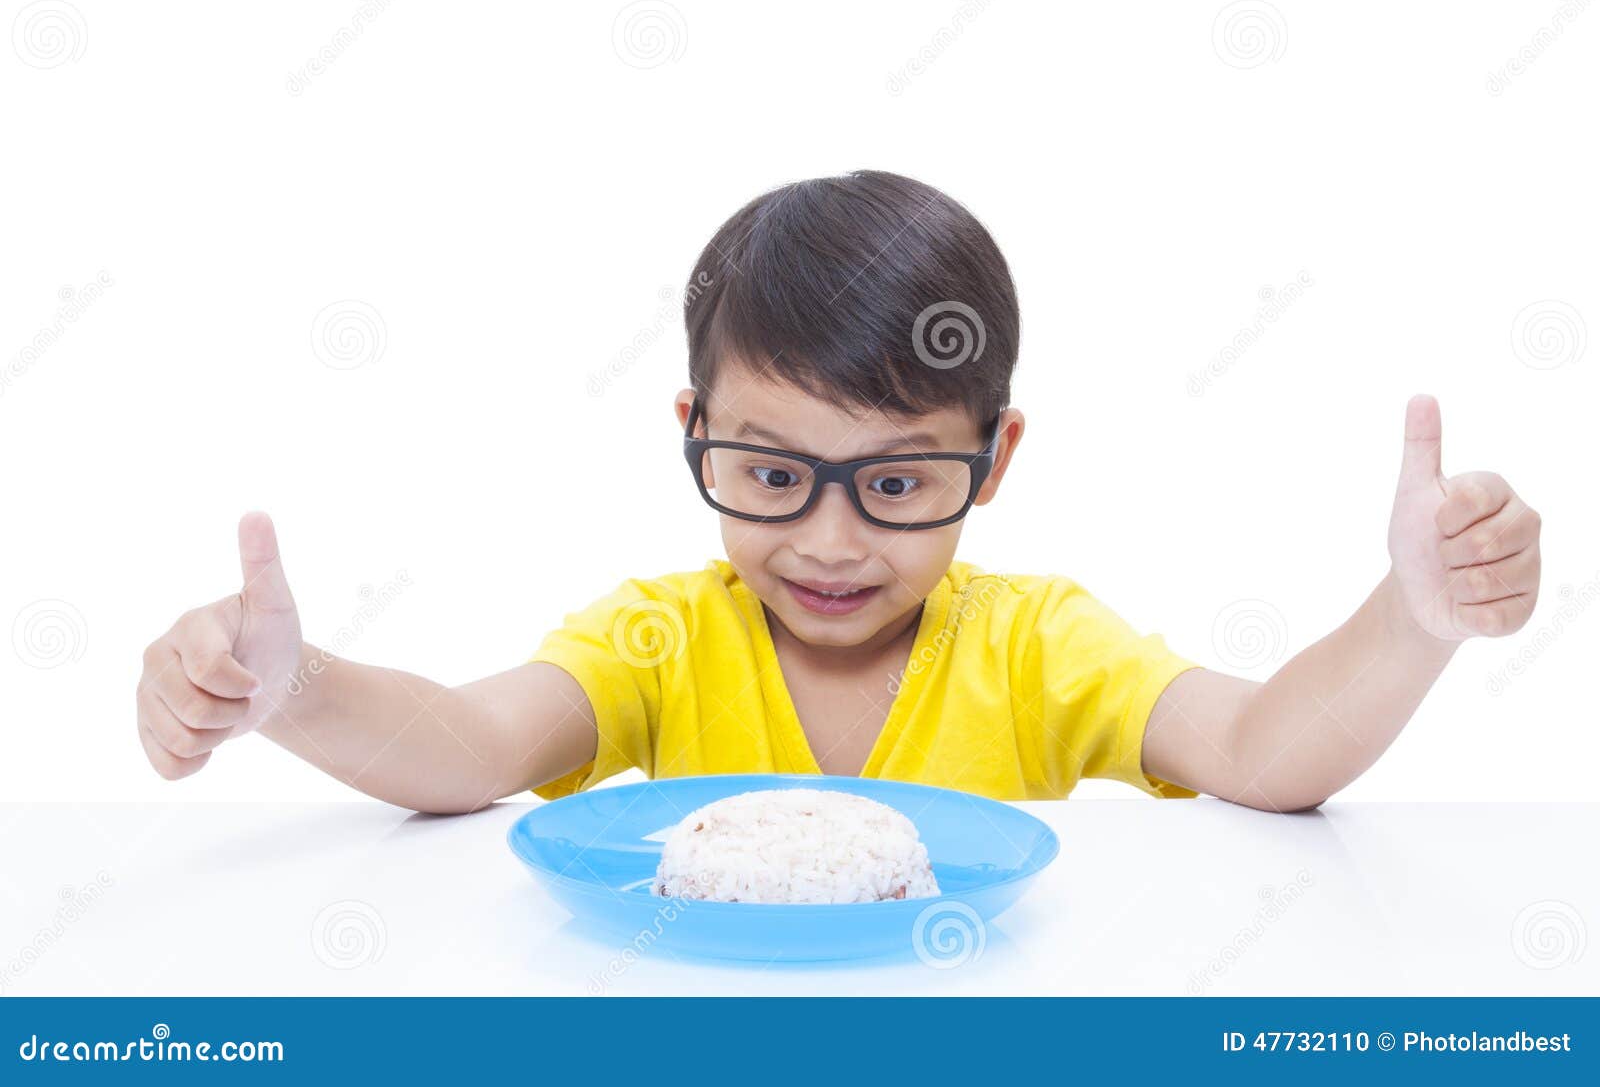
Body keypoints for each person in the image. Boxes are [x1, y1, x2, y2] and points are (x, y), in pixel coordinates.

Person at [134, 171, 1542, 814]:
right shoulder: (663, 638)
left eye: (896, 480)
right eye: (766, 473)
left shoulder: (1036, 641)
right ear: (692, 430)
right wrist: (294, 689)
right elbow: (460, 747)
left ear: (993, 461)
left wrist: (1414, 619)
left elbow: (1261, 751)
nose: (827, 537)